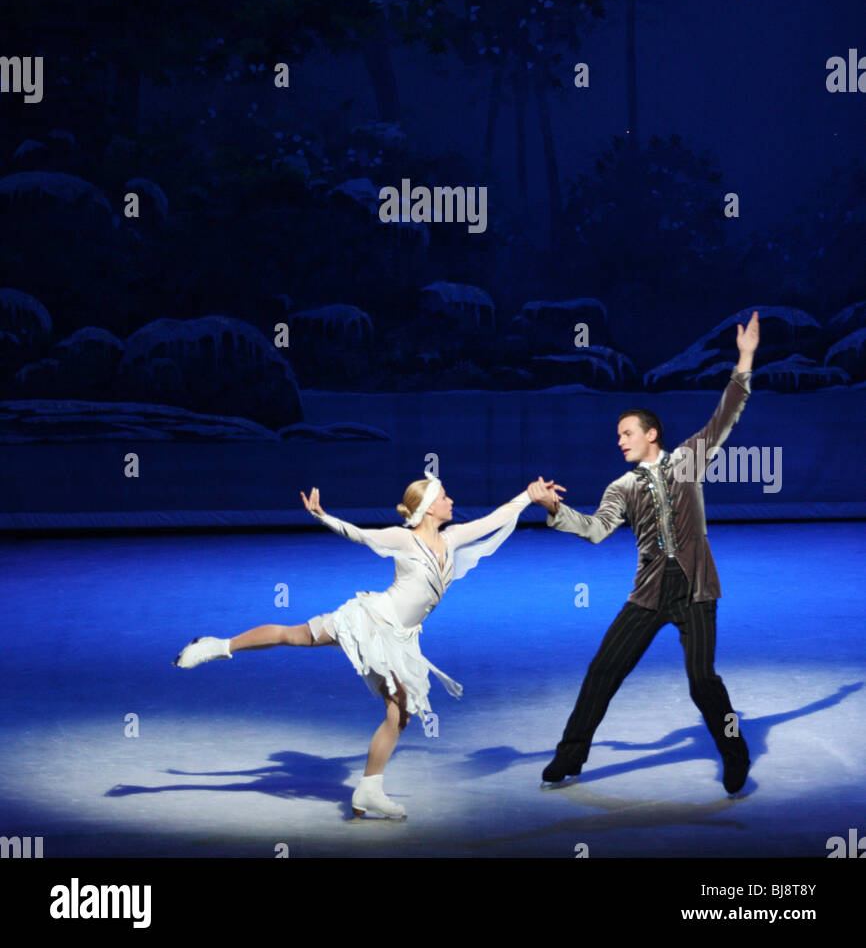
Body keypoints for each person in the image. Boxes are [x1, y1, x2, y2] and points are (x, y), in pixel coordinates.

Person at [173, 471, 541, 818]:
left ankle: (368, 789)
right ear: (429, 506)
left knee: (400, 713)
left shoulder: (452, 538)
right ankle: (216, 646)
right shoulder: (405, 538)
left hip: (401, 638)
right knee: (295, 635)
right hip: (371, 621)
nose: (451, 500)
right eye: (444, 496)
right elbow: (361, 535)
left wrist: (529, 495)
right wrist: (322, 516)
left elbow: (495, 519)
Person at [531, 310, 760, 795]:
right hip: (650, 592)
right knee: (603, 669)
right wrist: (556, 508)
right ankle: (568, 758)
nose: (620, 442)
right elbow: (595, 530)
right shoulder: (620, 487)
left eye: (627, 433)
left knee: (702, 681)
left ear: (651, 434)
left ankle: (736, 756)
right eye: (618, 437)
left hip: (697, 589)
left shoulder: (688, 459)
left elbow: (725, 416)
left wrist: (744, 358)